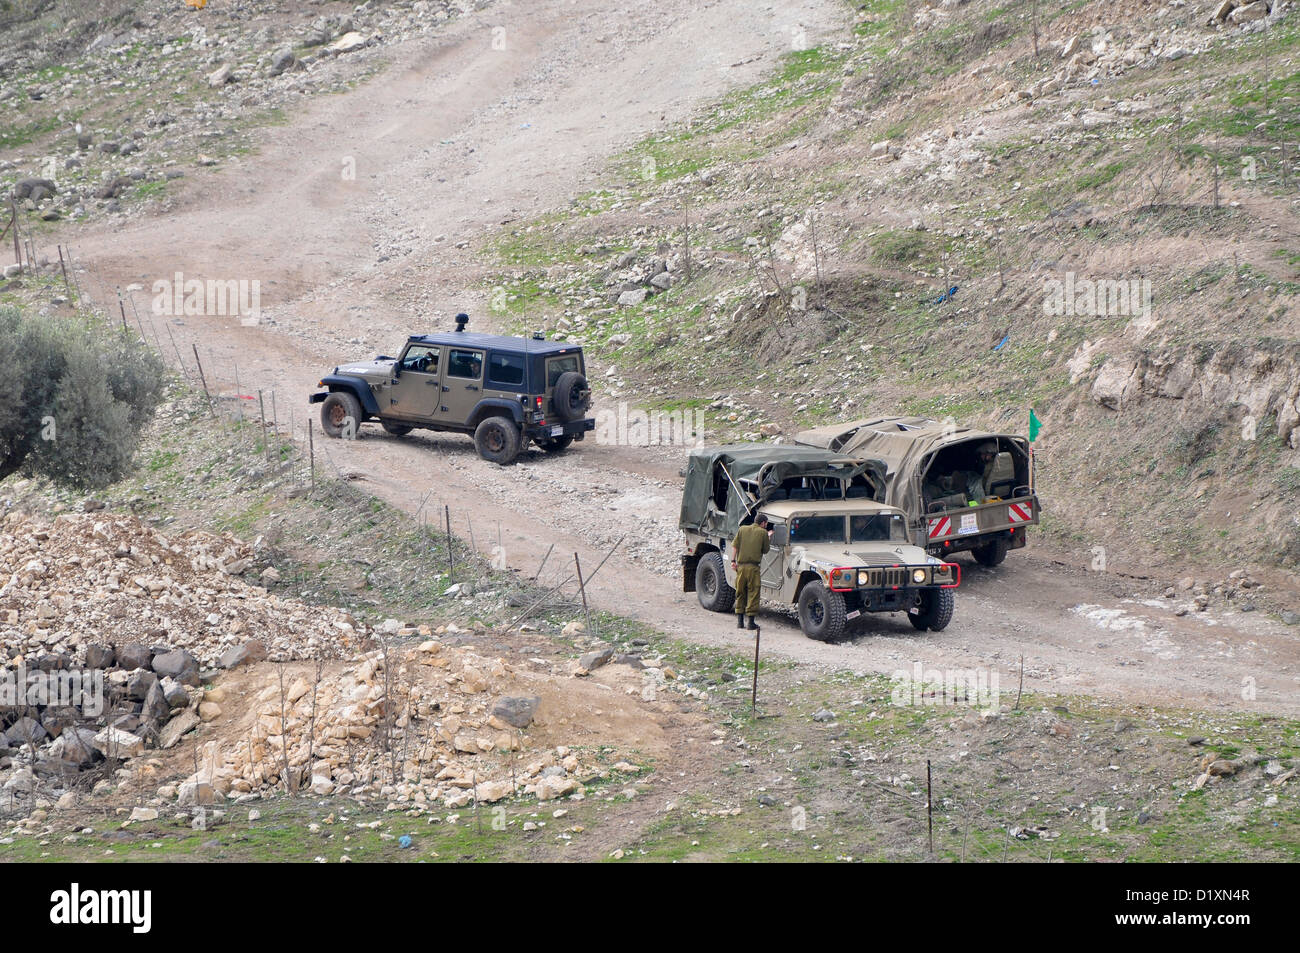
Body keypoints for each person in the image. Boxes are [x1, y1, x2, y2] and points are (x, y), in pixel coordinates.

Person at [731, 514, 770, 630]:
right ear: (763, 523)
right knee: (753, 593)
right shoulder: (763, 533)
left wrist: (733, 561)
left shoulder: (742, 529)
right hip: (753, 568)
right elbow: (766, 550)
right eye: (766, 524)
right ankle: (751, 623)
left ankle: (740, 622)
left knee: (740, 592)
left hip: (740, 567)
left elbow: (735, 546)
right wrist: (768, 536)